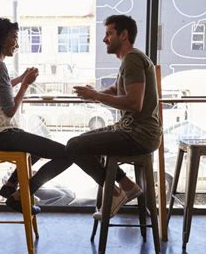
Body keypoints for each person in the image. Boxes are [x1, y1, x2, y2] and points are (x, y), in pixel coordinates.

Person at [65, 15, 162, 219]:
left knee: (75, 146)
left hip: (138, 135)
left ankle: (119, 191)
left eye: (109, 33)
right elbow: (117, 89)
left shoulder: (132, 60)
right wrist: (95, 93)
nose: (104, 39)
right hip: (131, 130)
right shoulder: (131, 59)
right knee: (80, 144)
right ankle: (124, 187)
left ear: (123, 35)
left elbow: (135, 103)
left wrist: (97, 96)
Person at [0, 17, 72, 214]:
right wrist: (26, 85)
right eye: (14, 37)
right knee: (66, 154)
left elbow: (0, 88)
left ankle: (10, 185)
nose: (17, 44)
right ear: (1, 38)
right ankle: (21, 195)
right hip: (3, 134)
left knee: (38, 146)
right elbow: (9, 110)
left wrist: (19, 79)